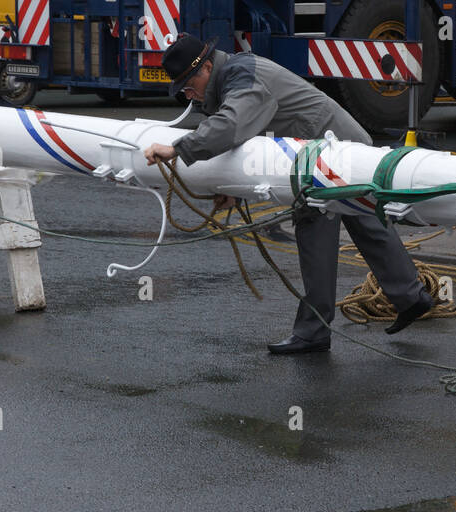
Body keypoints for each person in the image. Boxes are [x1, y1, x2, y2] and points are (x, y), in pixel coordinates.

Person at [142, 34, 433, 355]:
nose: (188, 95)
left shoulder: (240, 77)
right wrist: (234, 192)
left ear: (206, 67)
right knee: (366, 222)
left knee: (315, 234)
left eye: (187, 85)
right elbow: (249, 137)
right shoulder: (237, 75)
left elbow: (232, 125)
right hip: (335, 146)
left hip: (324, 154)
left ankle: (314, 332)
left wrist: (176, 147)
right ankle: (411, 295)